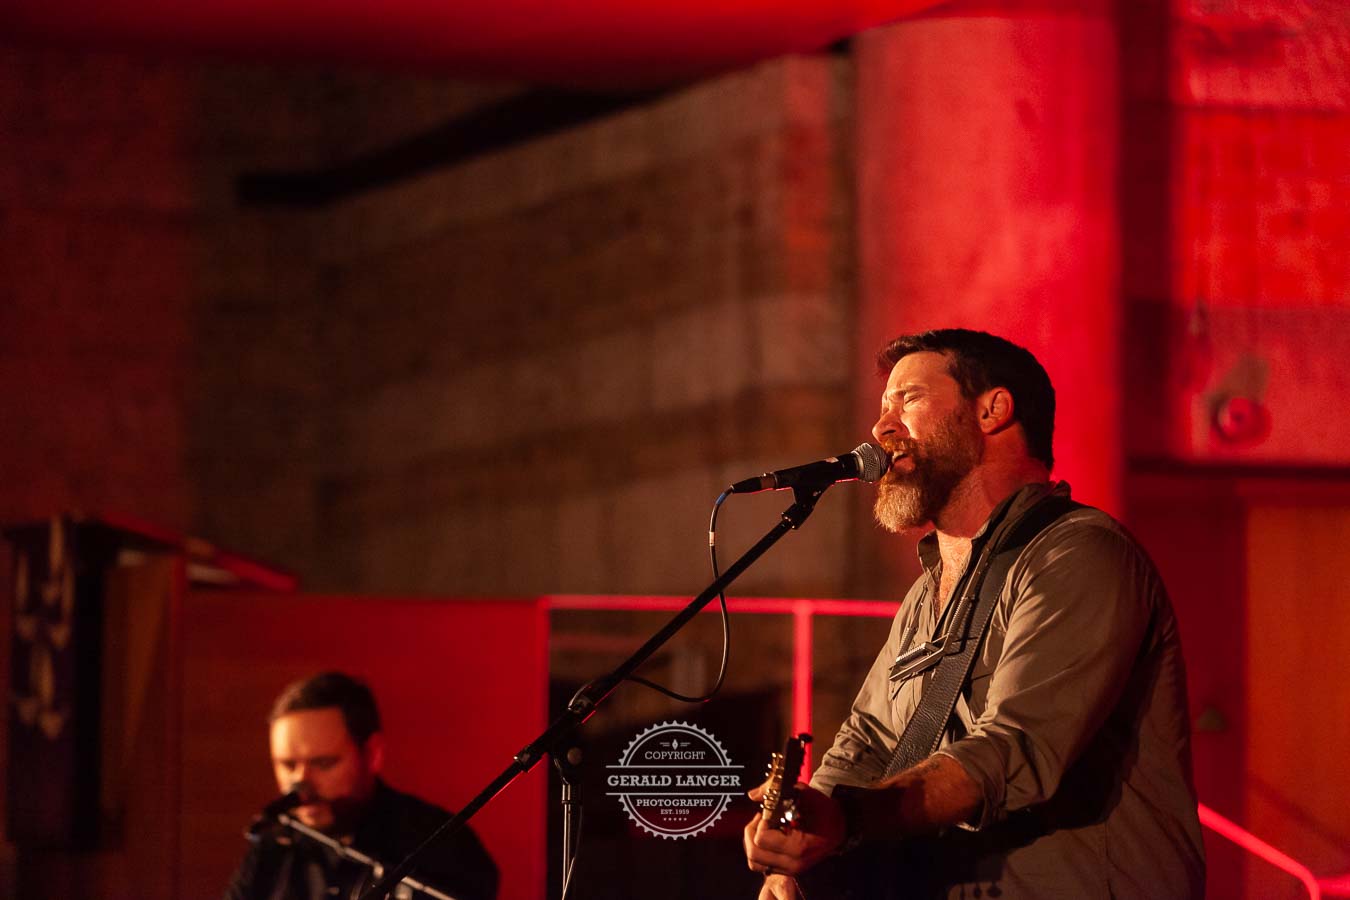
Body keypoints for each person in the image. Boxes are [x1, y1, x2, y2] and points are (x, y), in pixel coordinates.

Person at [743, 329, 1205, 899]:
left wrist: (851, 821)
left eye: (907, 399)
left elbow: (1016, 746)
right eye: (884, 406)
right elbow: (868, 737)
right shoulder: (925, 597)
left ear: (992, 410)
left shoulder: (1078, 554)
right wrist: (800, 845)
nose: (881, 428)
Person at [225, 671, 499, 900]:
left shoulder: (437, 843)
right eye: (287, 765)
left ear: (372, 754)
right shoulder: (273, 847)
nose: (300, 785)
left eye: (323, 763)